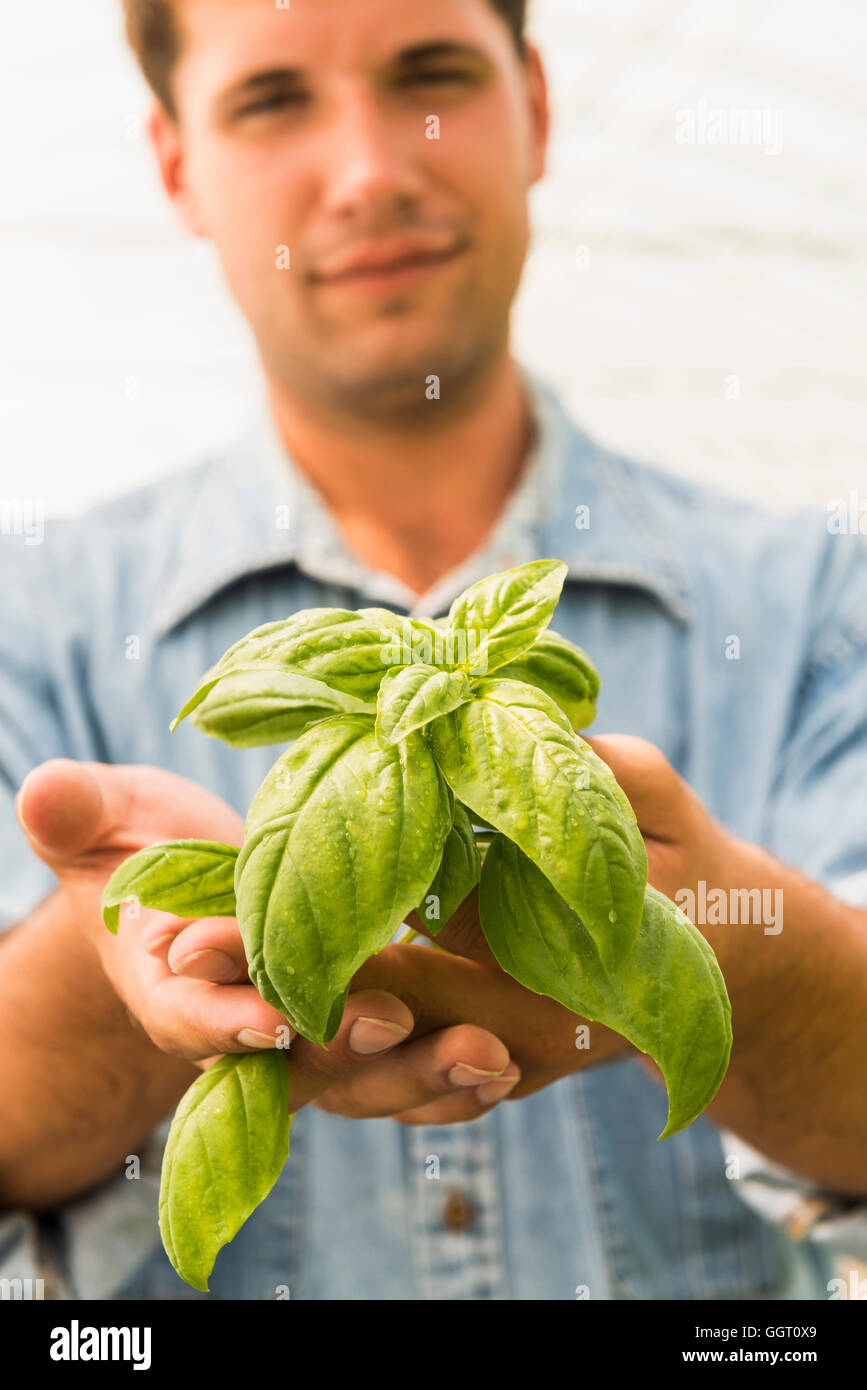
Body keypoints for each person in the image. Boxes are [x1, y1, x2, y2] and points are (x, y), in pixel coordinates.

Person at [1, 0, 865, 1301]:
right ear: (177, 163)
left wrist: (735, 939)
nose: (370, 170)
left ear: (537, 106)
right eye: (274, 99)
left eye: (431, 75)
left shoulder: (812, 595)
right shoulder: (37, 615)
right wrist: (126, 960)